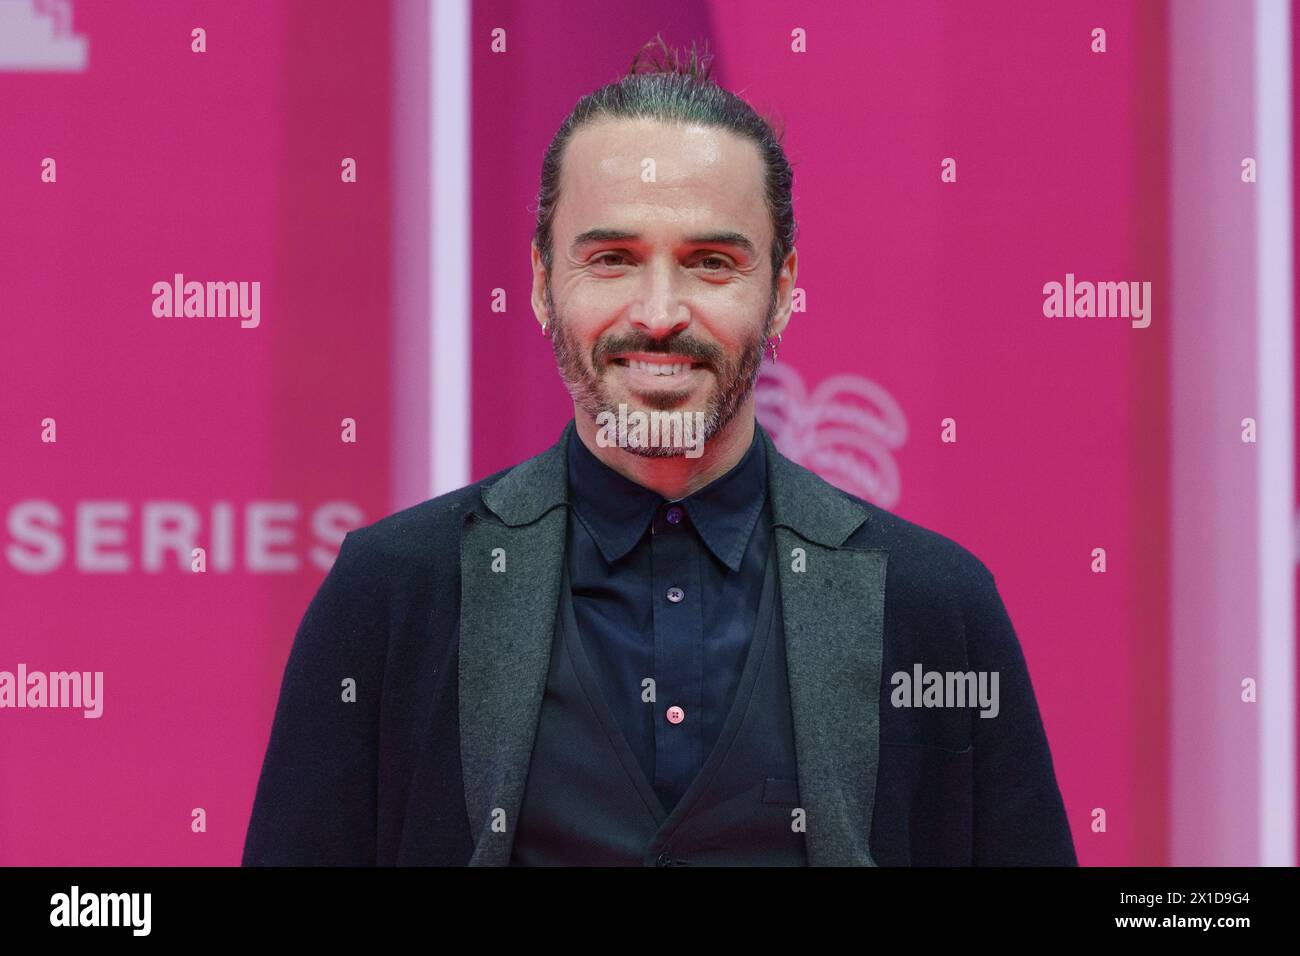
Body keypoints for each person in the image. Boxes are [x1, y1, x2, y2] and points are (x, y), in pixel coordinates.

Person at [242, 36, 1076, 867]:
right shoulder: (394, 591)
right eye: (612, 260)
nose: (659, 311)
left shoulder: (934, 603)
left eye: (711, 263)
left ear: (782, 292)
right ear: (540, 283)